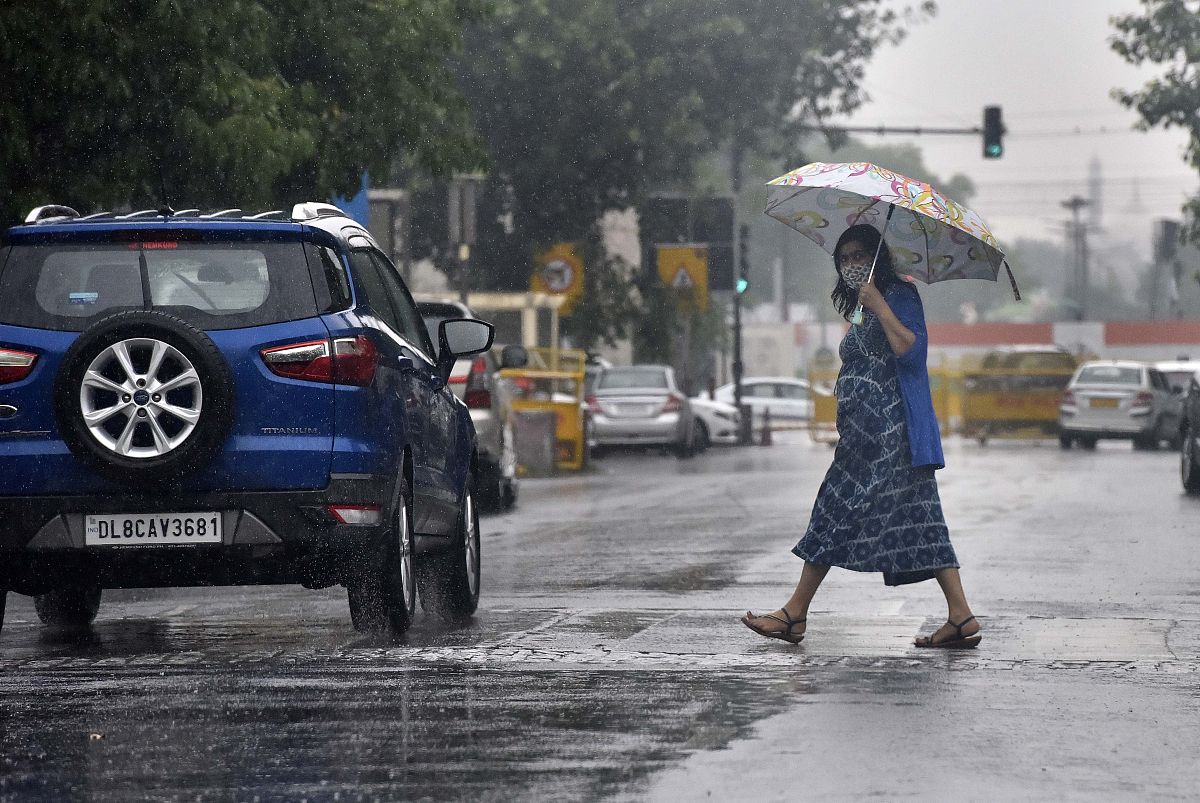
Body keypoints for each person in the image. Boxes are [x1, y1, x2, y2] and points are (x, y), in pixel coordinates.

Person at [741, 223, 981, 649]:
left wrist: (880, 305)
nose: (851, 264)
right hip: (863, 431)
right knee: (923, 520)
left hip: (888, 433)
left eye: (859, 256)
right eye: (845, 257)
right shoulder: (859, 307)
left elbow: (910, 349)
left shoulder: (899, 296)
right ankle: (961, 617)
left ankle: (794, 614)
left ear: (876, 258)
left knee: (835, 508)